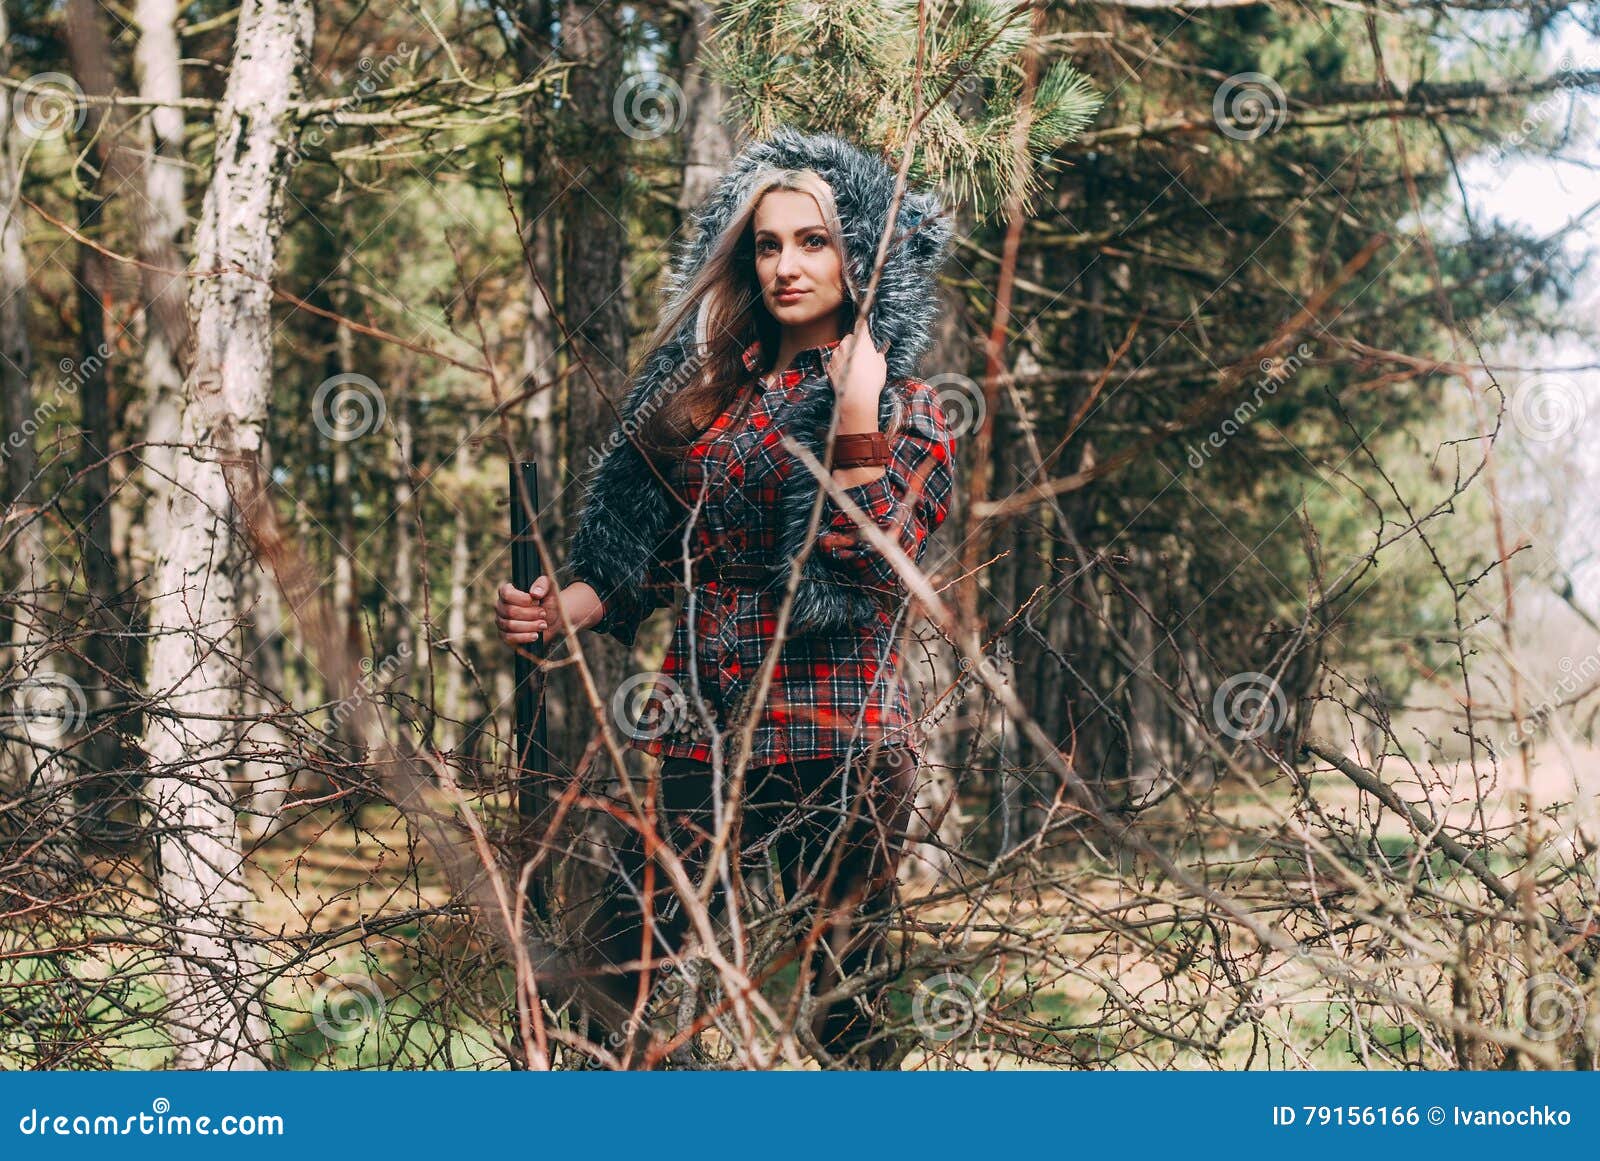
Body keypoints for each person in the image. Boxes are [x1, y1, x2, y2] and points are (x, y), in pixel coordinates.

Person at [494, 129, 956, 1068]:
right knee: (613, 977)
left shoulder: (908, 407)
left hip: (839, 736)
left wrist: (854, 411)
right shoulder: (712, 400)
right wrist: (568, 603)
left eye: (815, 242)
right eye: (768, 244)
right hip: (700, 729)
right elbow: (663, 553)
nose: (787, 265)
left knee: (845, 1006)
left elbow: (868, 569)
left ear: (860, 256)